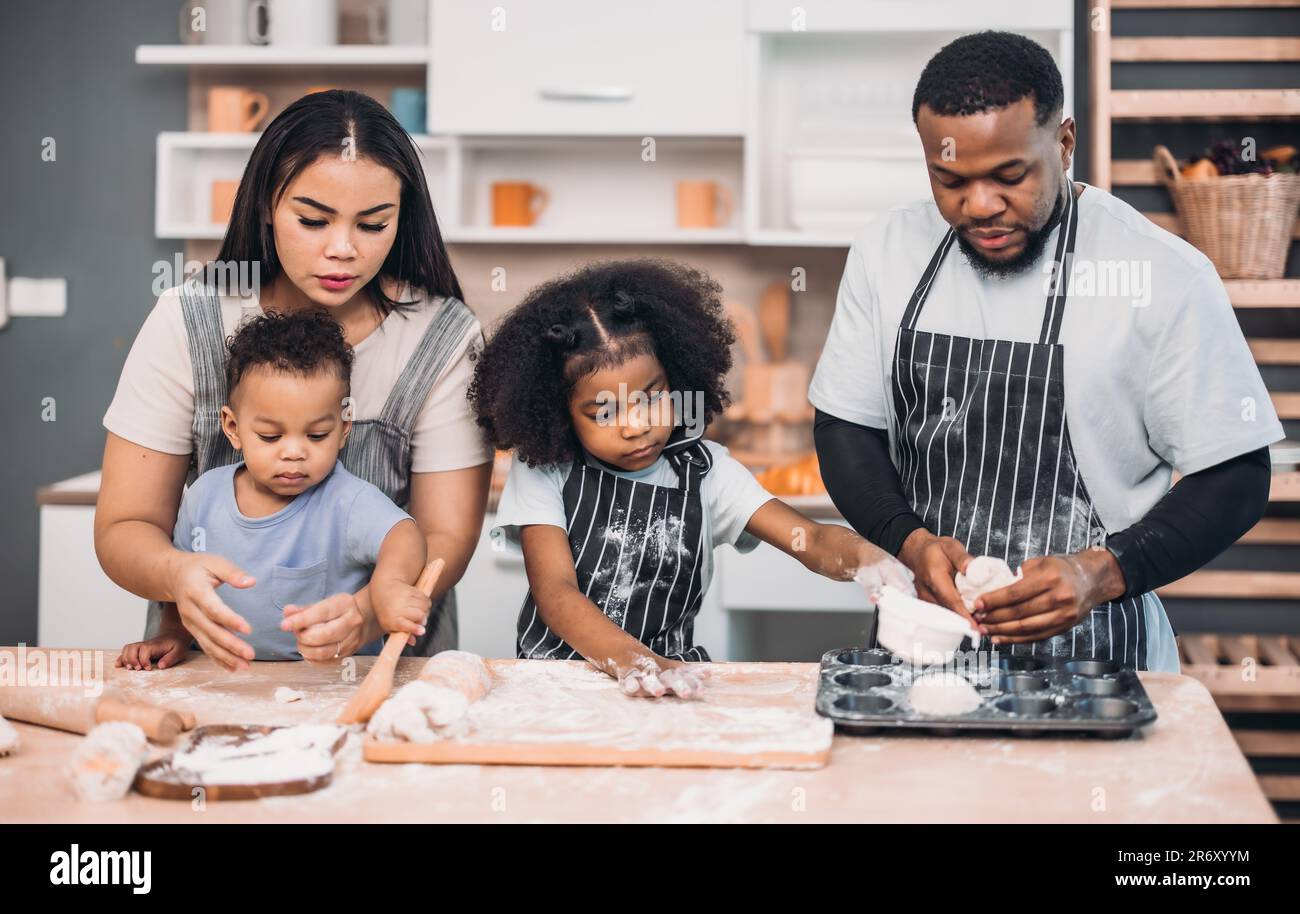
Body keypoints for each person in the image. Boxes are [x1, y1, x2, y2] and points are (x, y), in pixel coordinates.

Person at [809, 32, 1281, 671]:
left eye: (1010, 176)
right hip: (924, 651)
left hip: (1105, 664)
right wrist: (908, 539)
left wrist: (1101, 573)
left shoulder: (1161, 273)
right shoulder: (887, 251)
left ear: (1063, 143)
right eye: (949, 180)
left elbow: (1237, 474)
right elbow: (846, 427)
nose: (980, 206)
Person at [97, 91, 491, 671]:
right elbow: (124, 527)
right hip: (212, 665)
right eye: (312, 220)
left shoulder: (443, 336)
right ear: (265, 206)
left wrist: (369, 610)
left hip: (388, 667)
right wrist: (175, 573)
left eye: (374, 224)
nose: (343, 250)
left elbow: (444, 538)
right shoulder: (190, 318)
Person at [472, 260, 915, 697]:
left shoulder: (708, 472)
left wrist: (869, 559)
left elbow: (812, 540)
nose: (636, 425)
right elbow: (555, 592)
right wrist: (634, 661)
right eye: (603, 412)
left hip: (670, 681)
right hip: (555, 687)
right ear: (559, 413)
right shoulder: (545, 471)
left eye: (652, 397)